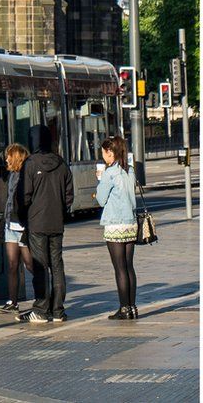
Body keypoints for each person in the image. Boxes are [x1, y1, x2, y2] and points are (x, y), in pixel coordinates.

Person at [17, 124, 74, 324]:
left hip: (37, 223)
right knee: (57, 265)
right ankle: (58, 310)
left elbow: (24, 196)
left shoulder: (30, 164)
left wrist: (23, 217)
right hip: (56, 223)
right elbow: (69, 195)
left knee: (40, 266)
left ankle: (41, 309)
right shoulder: (61, 163)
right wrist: (61, 212)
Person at [96, 135, 138, 320]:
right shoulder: (130, 171)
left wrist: (100, 179)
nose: (103, 156)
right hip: (131, 222)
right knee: (129, 267)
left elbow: (101, 199)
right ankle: (132, 307)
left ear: (110, 152)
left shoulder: (110, 173)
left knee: (119, 268)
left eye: (103, 152)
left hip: (115, 224)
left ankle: (124, 308)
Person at [0, 143, 33, 314]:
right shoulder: (12, 175)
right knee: (12, 264)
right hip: (10, 224)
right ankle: (13, 301)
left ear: (16, 158)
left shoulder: (26, 175)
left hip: (22, 225)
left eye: (9, 156)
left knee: (29, 264)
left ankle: (45, 295)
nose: (6, 159)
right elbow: (9, 200)